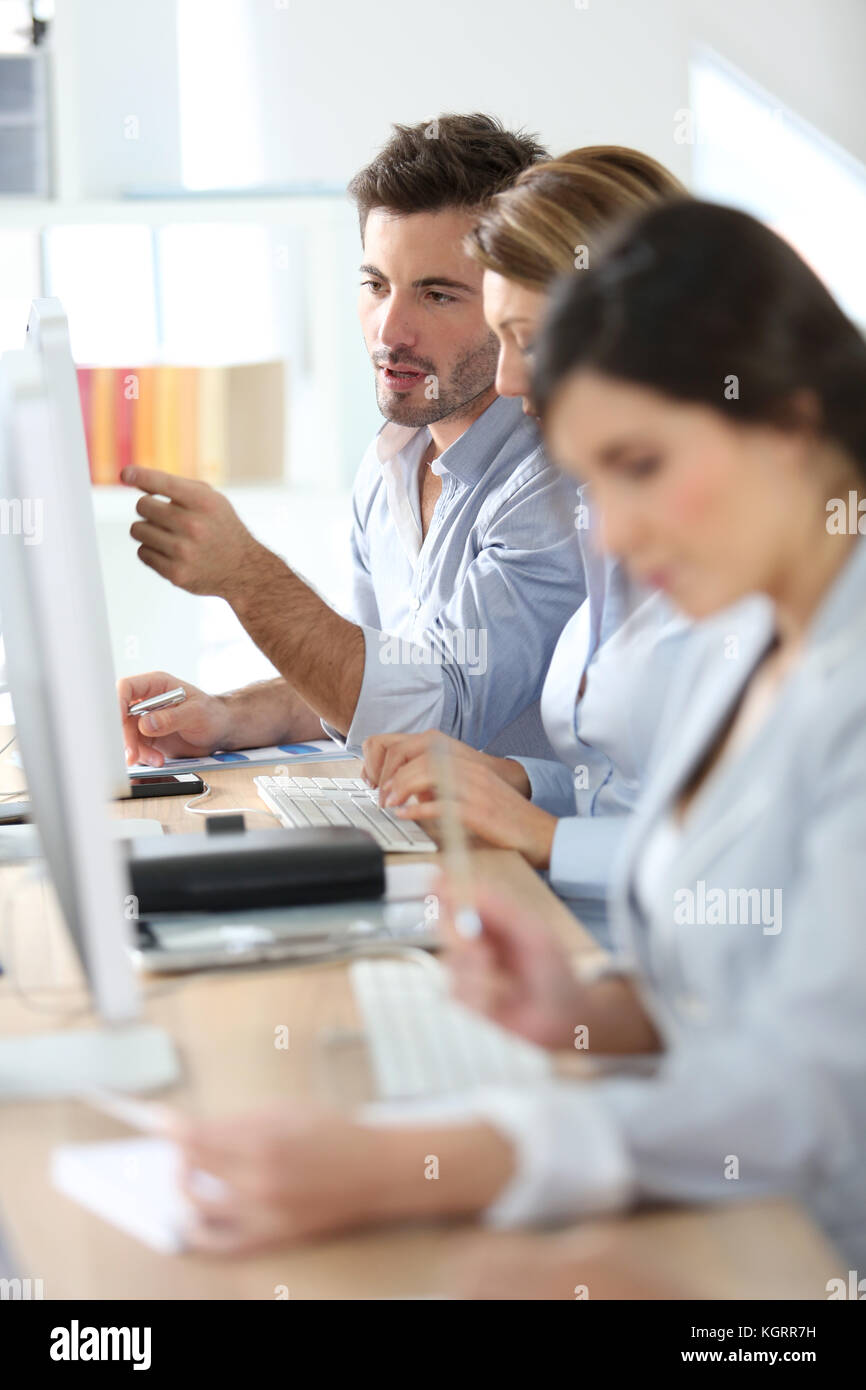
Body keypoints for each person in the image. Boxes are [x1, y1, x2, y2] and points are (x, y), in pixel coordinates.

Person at [169, 201, 866, 1272]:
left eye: (639, 464)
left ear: (783, 422)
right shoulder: (755, 639)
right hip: (730, 1221)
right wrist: (586, 1012)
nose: (619, 533)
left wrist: (421, 1161)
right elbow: (744, 977)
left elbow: (813, 1088)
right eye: (594, 482)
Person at [118, 114, 587, 768]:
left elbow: (435, 717)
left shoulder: (554, 484)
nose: (389, 330)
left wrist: (249, 580)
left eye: (438, 295)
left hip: (519, 855)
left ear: (513, 296)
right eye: (375, 285)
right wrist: (226, 716)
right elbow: (376, 679)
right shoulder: (393, 456)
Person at [362, 147, 689, 940]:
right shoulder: (619, 529)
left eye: (531, 340)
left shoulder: (755, 575)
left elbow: (750, 869)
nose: (509, 382)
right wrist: (514, 783)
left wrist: (545, 835)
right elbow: (619, 789)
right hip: (589, 952)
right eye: (374, 285)